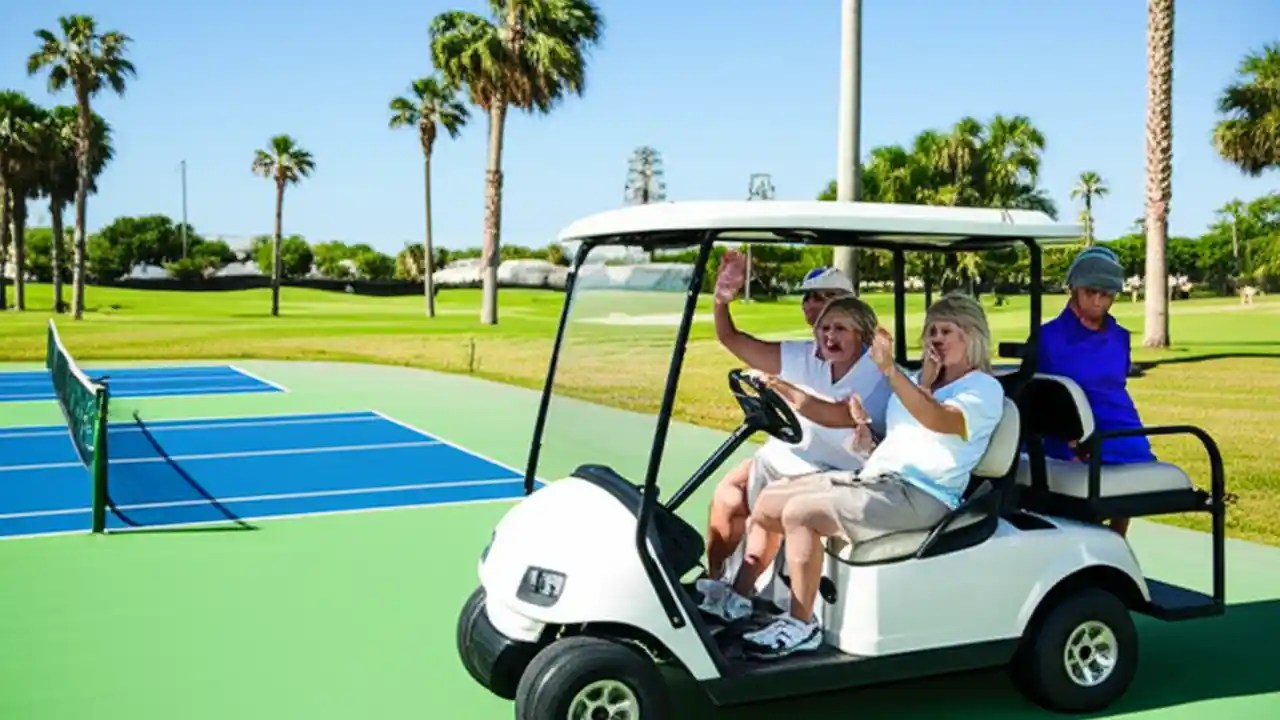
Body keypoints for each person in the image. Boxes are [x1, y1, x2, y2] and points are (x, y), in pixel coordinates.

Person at [701, 293, 1007, 659]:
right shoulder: (922, 381)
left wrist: (893, 371)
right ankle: (739, 598)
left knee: (801, 513)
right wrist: (867, 439)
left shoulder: (983, 389)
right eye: (931, 331)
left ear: (972, 336)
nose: (936, 339)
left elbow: (938, 420)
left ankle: (801, 624)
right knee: (770, 498)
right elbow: (904, 436)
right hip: (880, 479)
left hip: (924, 496)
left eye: (946, 331)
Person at [702, 252, 891, 582]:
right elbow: (732, 338)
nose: (812, 304)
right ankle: (713, 583)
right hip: (786, 456)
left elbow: (837, 415)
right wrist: (722, 300)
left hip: (832, 471)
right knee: (728, 497)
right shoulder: (800, 353)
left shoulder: (877, 372)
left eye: (823, 296)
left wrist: (780, 386)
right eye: (808, 297)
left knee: (770, 510)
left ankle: (747, 593)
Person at [1036, 246, 1156, 537]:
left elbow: (1113, 389)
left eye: (1107, 294)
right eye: (1091, 292)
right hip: (1066, 435)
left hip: (1119, 427)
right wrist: (1068, 444)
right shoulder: (1047, 338)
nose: (1099, 301)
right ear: (1074, 289)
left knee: (1134, 474)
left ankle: (1117, 542)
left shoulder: (1120, 337)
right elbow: (1041, 400)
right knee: (1083, 511)